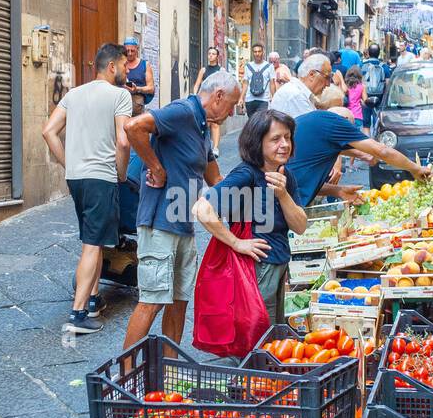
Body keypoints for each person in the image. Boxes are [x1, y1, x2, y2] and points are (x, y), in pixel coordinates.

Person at [123, 71, 243, 348]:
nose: (232, 111)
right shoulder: (183, 111)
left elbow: (216, 181)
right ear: (218, 96)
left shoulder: (202, 129)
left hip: (183, 225)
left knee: (178, 302)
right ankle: (125, 377)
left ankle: (170, 370)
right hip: (159, 223)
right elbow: (133, 127)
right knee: (152, 302)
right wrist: (155, 167)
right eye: (232, 104)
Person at [42, 42, 133, 335]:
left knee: (92, 238)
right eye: (123, 65)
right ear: (111, 67)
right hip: (101, 177)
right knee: (92, 244)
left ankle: (93, 300)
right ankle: (78, 314)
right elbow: (123, 140)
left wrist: (68, 164)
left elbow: (48, 131)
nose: (126, 70)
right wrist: (121, 172)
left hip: (77, 178)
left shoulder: (73, 94)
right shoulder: (120, 95)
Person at [193, 109, 307, 327]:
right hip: (259, 268)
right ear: (258, 143)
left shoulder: (284, 174)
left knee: (271, 333)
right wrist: (237, 243)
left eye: (287, 137)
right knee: (260, 334)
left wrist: (283, 194)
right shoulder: (246, 174)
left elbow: (300, 226)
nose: (284, 144)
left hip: (278, 263)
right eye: (275, 139)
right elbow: (201, 209)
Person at [286, 103, 433, 207]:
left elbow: (300, 183)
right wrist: (415, 168)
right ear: (343, 122)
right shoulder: (333, 122)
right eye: (350, 128)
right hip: (282, 206)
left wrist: (339, 190)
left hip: (281, 200)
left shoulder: (311, 125)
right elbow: (382, 151)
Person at [269, 51, 331, 117]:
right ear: (311, 74)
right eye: (326, 77)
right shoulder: (296, 95)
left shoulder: (298, 92)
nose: (328, 84)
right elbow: (310, 125)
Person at [193, 46, 223, 153]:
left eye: (213, 54)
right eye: (209, 53)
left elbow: (224, 86)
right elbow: (197, 84)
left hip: (216, 100)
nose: (211, 55)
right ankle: (205, 146)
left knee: (215, 123)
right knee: (205, 123)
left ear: (217, 56)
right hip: (205, 100)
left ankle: (215, 148)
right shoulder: (203, 70)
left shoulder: (221, 70)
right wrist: (195, 95)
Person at [242, 43, 274, 121]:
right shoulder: (247, 66)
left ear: (263, 52)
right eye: (255, 52)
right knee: (252, 122)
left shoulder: (269, 66)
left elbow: (272, 82)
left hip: (264, 100)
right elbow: (245, 83)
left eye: (259, 51)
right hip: (250, 99)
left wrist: (273, 97)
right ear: (252, 53)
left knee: (261, 121)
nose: (257, 54)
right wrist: (241, 98)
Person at [361, 43, 387, 131]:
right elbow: (388, 82)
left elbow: (360, 82)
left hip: (366, 96)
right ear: (379, 53)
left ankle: (367, 141)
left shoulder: (363, 65)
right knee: (378, 120)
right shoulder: (384, 66)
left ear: (368, 52)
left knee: (366, 124)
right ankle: (377, 140)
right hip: (380, 96)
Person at [123, 36, 155, 107]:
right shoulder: (120, 64)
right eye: (127, 51)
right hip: (122, 101)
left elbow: (151, 88)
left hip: (137, 103)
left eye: (132, 51)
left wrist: (137, 89)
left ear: (137, 49)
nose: (130, 53)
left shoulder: (144, 65)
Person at [344, 65, 365, 130]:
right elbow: (365, 102)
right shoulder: (362, 87)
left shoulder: (345, 87)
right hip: (357, 115)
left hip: (346, 115)